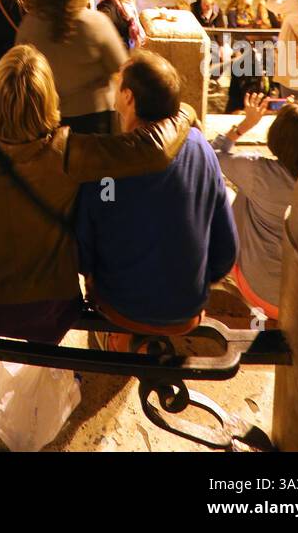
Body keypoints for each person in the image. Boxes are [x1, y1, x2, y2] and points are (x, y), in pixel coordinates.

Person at [0, 44, 195, 342]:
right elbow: (155, 150)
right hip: (47, 311)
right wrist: (184, 113)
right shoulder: (68, 153)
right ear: (50, 97)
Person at [77, 52, 237, 347]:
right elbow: (226, 247)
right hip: (187, 309)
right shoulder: (201, 147)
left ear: (128, 96)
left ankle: (118, 339)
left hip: (122, 308)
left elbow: (84, 254)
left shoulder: (108, 163)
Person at [211, 93, 298, 320]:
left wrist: (245, 124)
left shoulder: (258, 172)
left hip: (258, 290)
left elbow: (211, 157)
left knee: (225, 193)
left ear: (277, 137)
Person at [17, 0, 127, 132]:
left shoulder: (29, 25)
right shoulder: (96, 23)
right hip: (95, 118)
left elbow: (20, 70)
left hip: (47, 117)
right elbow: (122, 68)